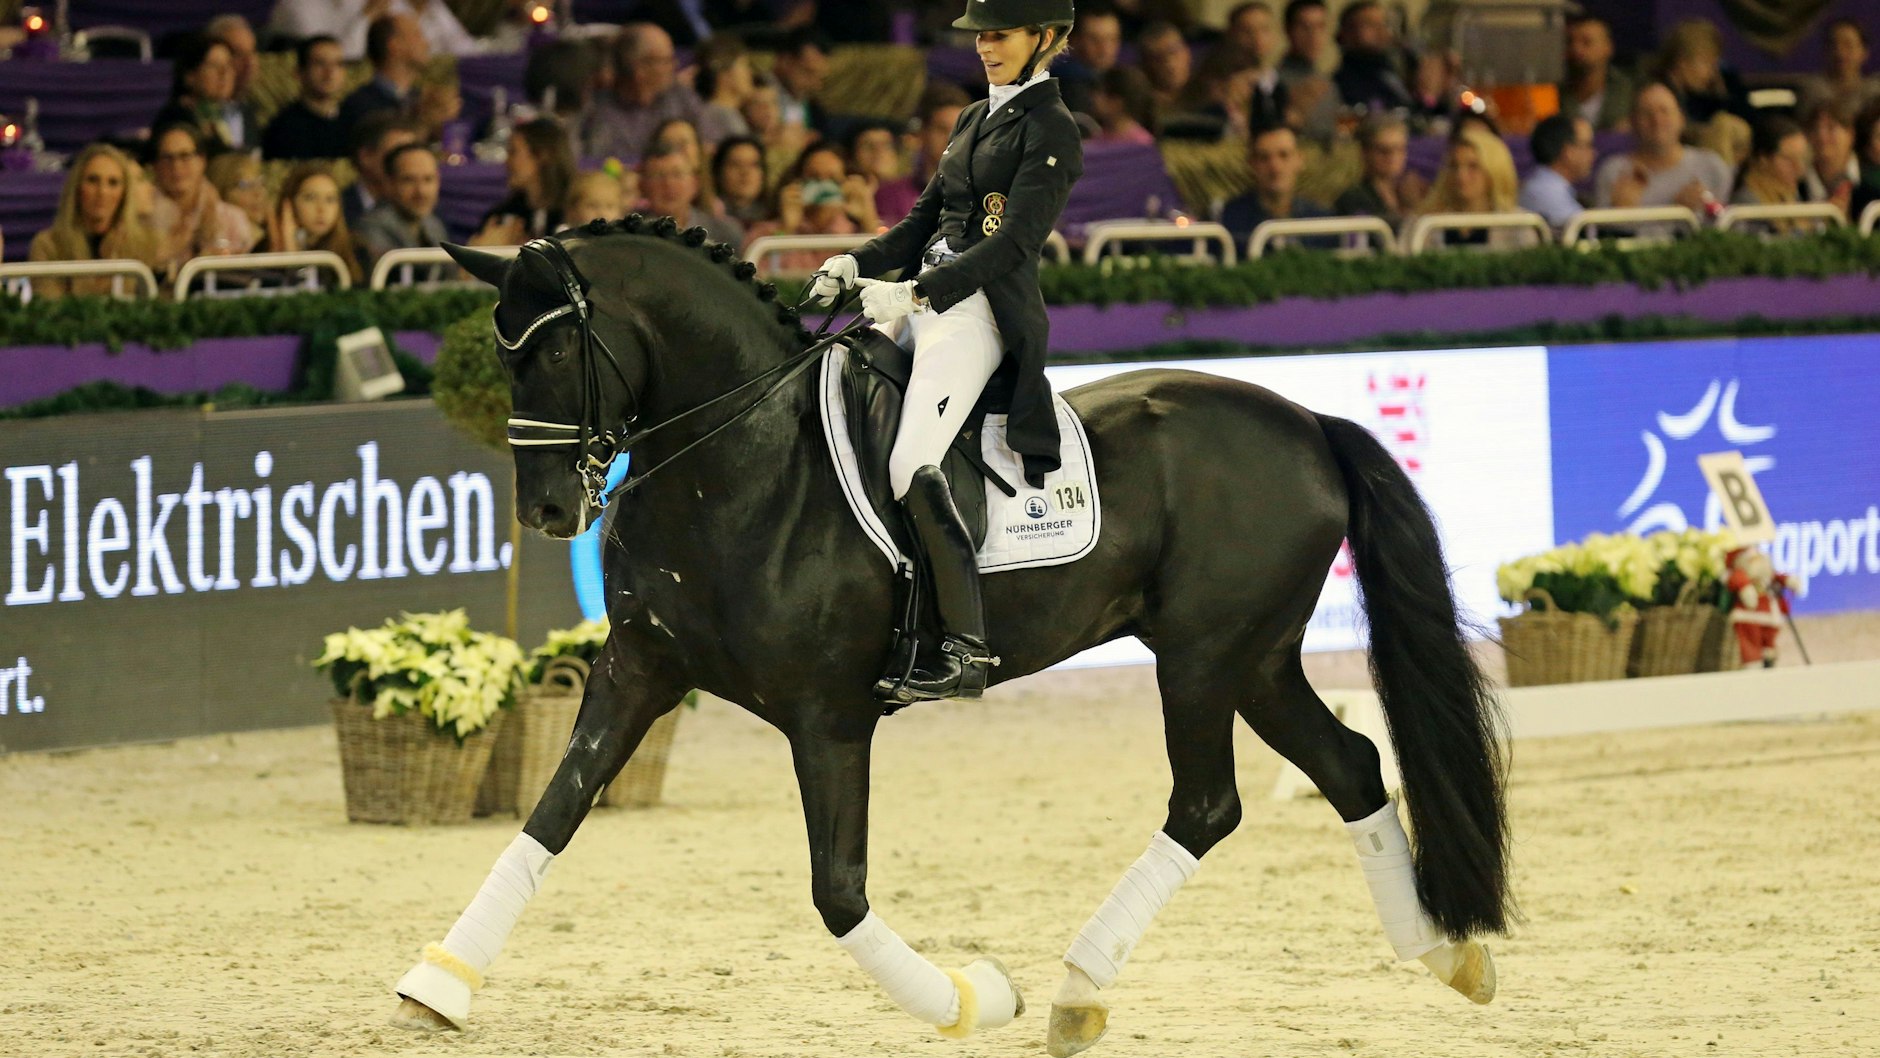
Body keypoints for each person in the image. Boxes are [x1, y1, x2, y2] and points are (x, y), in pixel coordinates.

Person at [811, 0, 1083, 704]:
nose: (986, 47)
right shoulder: (971, 119)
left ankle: (965, 646)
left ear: (1044, 38)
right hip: (924, 301)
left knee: (911, 460)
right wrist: (854, 261)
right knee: (835, 395)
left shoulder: (1053, 129)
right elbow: (921, 220)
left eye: (1001, 34)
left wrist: (916, 296)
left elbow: (1015, 243)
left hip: (979, 312)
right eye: (981, 36)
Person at [26, 143, 163, 298]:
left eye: (113, 183)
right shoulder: (47, 245)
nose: (102, 192)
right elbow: (49, 310)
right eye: (92, 180)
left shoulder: (146, 244)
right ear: (77, 187)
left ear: (124, 193)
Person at [583, 23, 717, 162]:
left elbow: (708, 146)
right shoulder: (598, 111)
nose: (675, 65)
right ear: (639, 68)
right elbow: (595, 165)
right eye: (667, 60)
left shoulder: (681, 98)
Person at [1595, 81, 1733, 211]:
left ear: (1681, 119)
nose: (1657, 120)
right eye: (1646, 113)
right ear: (1633, 122)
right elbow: (1599, 233)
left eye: (1664, 111)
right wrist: (1620, 214)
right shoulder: (1614, 172)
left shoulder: (1712, 167)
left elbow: (1729, 229)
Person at [147, 122, 257, 275]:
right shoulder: (141, 218)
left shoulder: (231, 218)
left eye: (185, 156)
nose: (176, 166)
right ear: (156, 165)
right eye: (167, 157)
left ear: (202, 161)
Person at [338, 13, 461, 140]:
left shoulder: (419, 98)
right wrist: (426, 122)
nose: (427, 44)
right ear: (395, 45)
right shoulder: (360, 105)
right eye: (417, 36)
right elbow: (389, 151)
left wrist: (444, 124)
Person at [1220, 122, 1330, 248]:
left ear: (1300, 159)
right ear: (1252, 164)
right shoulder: (1230, 220)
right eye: (1264, 158)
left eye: (1284, 155)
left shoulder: (1321, 222)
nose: (1275, 167)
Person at [1421, 125, 1533, 248]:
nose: (1461, 175)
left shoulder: (1518, 225)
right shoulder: (1425, 226)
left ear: (1494, 171)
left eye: (1473, 166)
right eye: (1454, 166)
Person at [472, 118, 575, 245]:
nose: (507, 161)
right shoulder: (505, 217)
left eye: (513, 152)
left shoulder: (573, 214)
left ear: (543, 156)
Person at [151, 33, 249, 155]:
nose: (224, 73)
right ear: (189, 76)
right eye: (214, 65)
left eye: (229, 65)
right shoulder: (177, 118)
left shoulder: (242, 112)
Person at [355, 142, 449, 268]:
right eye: (409, 180)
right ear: (389, 183)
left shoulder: (435, 226)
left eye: (428, 179)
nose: (421, 191)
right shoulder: (370, 229)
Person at [266, 162, 364, 283]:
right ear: (290, 204)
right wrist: (289, 250)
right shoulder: (266, 247)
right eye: (310, 198)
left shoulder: (356, 252)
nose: (321, 209)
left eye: (330, 199)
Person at [263, 35, 352, 161]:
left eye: (338, 64)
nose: (330, 72)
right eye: (320, 63)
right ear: (300, 73)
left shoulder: (354, 121)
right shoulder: (285, 129)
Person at [639, 141, 745, 246]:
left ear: (695, 183)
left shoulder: (725, 234)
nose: (669, 184)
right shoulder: (632, 233)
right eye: (659, 175)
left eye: (677, 175)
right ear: (643, 186)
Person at [1335, 112, 1423, 231]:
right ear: (1365, 153)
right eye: (1383, 151)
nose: (1393, 158)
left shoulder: (1409, 192)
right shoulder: (1353, 198)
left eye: (1399, 149)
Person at [1657, 18, 1748, 126]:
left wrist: (1722, 97)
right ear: (1682, 63)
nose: (1713, 72)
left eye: (1714, 64)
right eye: (1707, 63)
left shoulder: (1699, 97)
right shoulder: (1656, 97)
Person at [342, 111, 422, 227]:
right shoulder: (339, 209)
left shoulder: (423, 208)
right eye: (397, 153)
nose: (409, 165)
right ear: (366, 156)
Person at [1730, 115, 1808, 230]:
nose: (1798, 168)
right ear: (1764, 160)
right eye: (1788, 159)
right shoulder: (1746, 206)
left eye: (1802, 158)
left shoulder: (1790, 196)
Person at [1333, 1, 1411, 115]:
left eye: (1384, 24)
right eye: (1370, 25)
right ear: (1347, 34)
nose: (1381, 31)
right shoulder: (1343, 84)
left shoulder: (1390, 70)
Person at [1519, 113, 1595, 229]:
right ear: (1569, 152)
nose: (1593, 154)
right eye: (1588, 145)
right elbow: (1584, 237)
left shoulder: (1549, 186)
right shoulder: (1545, 191)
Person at [1559, 15, 1633, 133]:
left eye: (1586, 42)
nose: (1576, 49)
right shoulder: (1553, 92)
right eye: (1570, 42)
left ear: (1608, 47)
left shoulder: (1630, 90)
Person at [1277, 0, 1339, 139]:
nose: (1313, 35)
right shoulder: (1272, 81)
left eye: (1320, 26)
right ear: (1288, 30)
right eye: (1304, 27)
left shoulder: (1328, 82)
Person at [1799, 18, 1880, 117]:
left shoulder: (1874, 92)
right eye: (1834, 45)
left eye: (1848, 45)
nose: (1840, 52)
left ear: (1864, 52)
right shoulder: (1812, 91)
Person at [771, 28, 833, 139]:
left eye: (820, 76)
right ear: (785, 61)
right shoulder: (752, 94)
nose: (817, 85)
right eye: (809, 72)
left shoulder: (814, 110)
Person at [1801, 99, 1859, 217]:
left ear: (1850, 134)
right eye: (1815, 129)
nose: (1822, 136)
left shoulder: (1872, 182)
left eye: (1831, 128)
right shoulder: (1797, 185)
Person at [848, 122, 911, 225]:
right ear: (853, 157)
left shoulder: (914, 193)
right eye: (868, 145)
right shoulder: (849, 194)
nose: (878, 151)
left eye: (886, 145)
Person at [696, 34, 757, 140]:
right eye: (744, 66)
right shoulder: (721, 118)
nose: (750, 73)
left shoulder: (727, 114)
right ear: (724, 75)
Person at [207, 151, 271, 249]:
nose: (257, 193)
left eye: (260, 183)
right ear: (220, 192)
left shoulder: (271, 237)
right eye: (244, 186)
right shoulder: (217, 248)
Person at [712, 136, 773, 227]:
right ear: (719, 171)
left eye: (753, 165)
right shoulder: (709, 217)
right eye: (736, 164)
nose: (745, 172)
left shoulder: (774, 216)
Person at [1137, 22, 1192, 122]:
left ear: (1187, 52)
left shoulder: (1209, 93)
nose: (1169, 63)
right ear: (1146, 65)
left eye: (1173, 52)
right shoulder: (1142, 106)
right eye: (1158, 58)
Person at [1092, 67, 1159, 145]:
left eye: (1100, 93)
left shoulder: (1142, 143)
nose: (1094, 98)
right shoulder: (1098, 138)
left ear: (1116, 103)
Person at [563, 170, 627, 229]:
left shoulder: (622, 236)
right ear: (573, 209)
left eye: (609, 206)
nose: (602, 213)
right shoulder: (564, 235)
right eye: (592, 206)